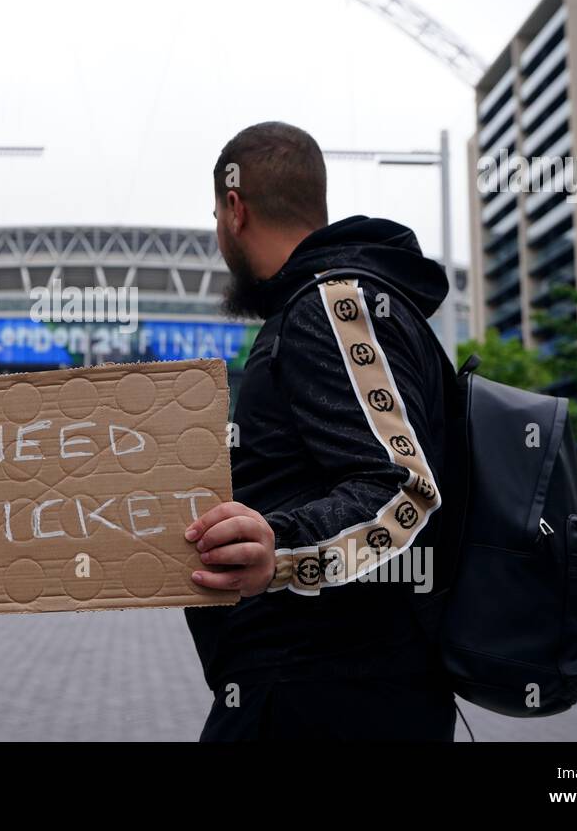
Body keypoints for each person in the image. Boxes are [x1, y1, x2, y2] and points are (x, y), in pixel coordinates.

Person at [184, 121, 457, 742]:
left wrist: (277, 549)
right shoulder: (337, 306)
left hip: (324, 697)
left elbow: (405, 493)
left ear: (234, 208)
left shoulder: (331, 307)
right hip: (331, 690)